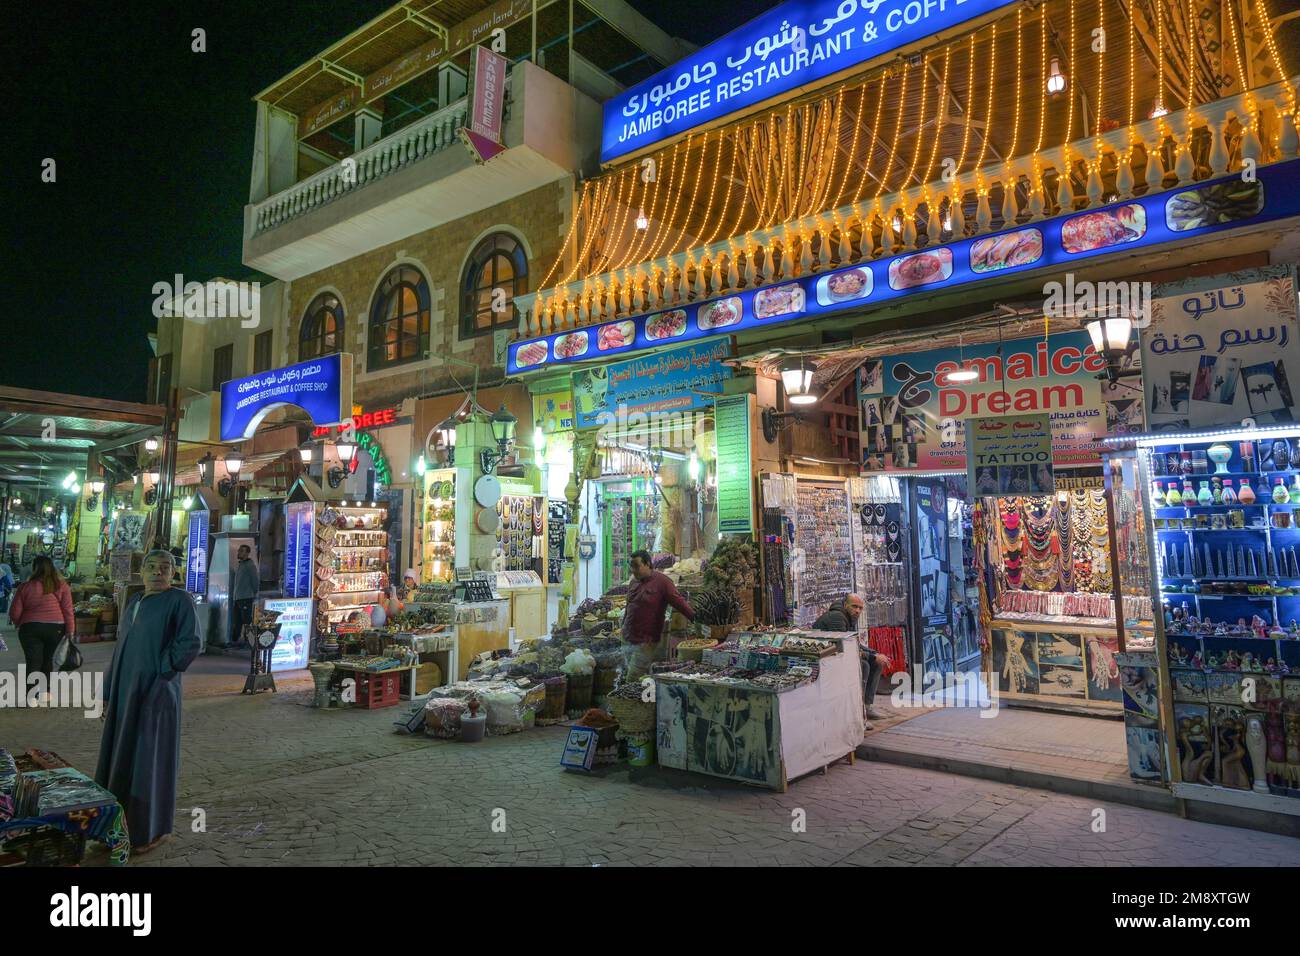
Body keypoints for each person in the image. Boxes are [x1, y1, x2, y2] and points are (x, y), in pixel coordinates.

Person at [96, 549, 201, 854]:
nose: (158, 572)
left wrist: (161, 670)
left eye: (164, 567)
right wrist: (107, 694)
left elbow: (190, 642)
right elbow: (120, 650)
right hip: (124, 691)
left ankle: (149, 830)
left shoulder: (180, 601)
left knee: (149, 760)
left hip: (156, 692)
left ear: (173, 572)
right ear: (140, 572)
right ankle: (115, 825)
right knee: (121, 754)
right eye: (151, 567)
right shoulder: (134, 602)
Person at [811, 594, 890, 726]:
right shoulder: (837, 617)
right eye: (854, 606)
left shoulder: (847, 618)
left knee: (876, 663)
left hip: (835, 656)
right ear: (845, 605)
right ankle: (858, 714)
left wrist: (875, 654)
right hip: (825, 661)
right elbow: (846, 648)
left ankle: (866, 707)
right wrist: (873, 656)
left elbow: (854, 643)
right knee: (864, 666)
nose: (858, 611)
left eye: (860, 608)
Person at [622, 550, 694, 680]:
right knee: (635, 675)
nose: (633, 570)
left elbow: (679, 603)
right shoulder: (633, 582)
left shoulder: (663, 582)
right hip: (628, 637)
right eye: (631, 566)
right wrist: (623, 627)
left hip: (646, 641)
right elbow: (629, 607)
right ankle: (644, 698)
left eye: (636, 566)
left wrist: (696, 618)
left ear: (648, 564)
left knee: (632, 677)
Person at [9, 555, 75, 693]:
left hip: (30, 628)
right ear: (52, 568)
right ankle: (46, 691)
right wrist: (70, 630)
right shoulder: (62, 586)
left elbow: (14, 612)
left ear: (34, 569)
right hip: (56, 628)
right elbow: (68, 610)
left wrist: (19, 623)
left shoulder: (25, 587)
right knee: (48, 659)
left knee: (33, 661)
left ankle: (31, 695)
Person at [232, 544, 259, 645]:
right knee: (237, 621)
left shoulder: (250, 565)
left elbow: (255, 581)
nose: (239, 552)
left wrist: (254, 593)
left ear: (247, 553)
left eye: (241, 551)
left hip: (246, 598)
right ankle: (235, 640)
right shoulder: (240, 565)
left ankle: (249, 641)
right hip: (238, 597)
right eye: (239, 550)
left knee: (246, 621)